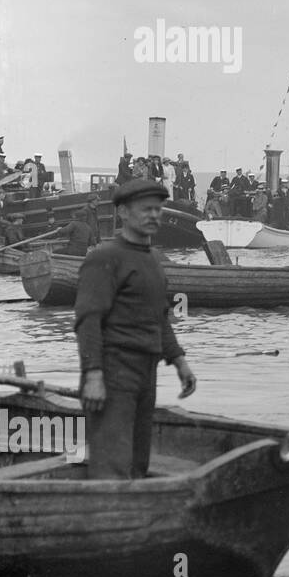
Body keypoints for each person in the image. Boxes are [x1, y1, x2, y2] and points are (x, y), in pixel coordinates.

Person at [74, 178, 197, 480]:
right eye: (146, 209)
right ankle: (106, 518)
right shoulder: (104, 258)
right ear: (123, 213)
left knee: (137, 460)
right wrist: (92, 375)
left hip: (147, 369)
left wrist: (180, 362)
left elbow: (160, 317)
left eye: (157, 209)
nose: (154, 215)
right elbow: (88, 319)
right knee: (111, 462)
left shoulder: (154, 259)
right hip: (114, 370)